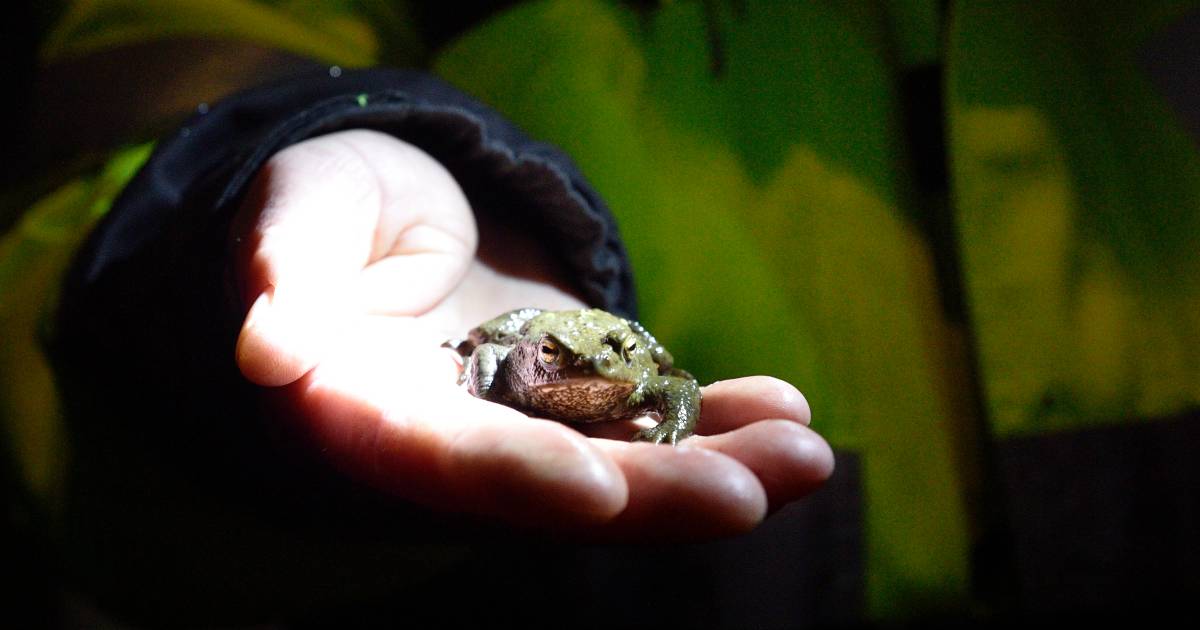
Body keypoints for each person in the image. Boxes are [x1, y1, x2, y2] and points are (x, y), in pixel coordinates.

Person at [45, 68, 834, 623]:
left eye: (610, 367)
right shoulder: (537, 354)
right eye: (573, 363)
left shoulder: (629, 376)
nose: (594, 373)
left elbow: (675, 382)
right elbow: (503, 336)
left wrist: (666, 414)